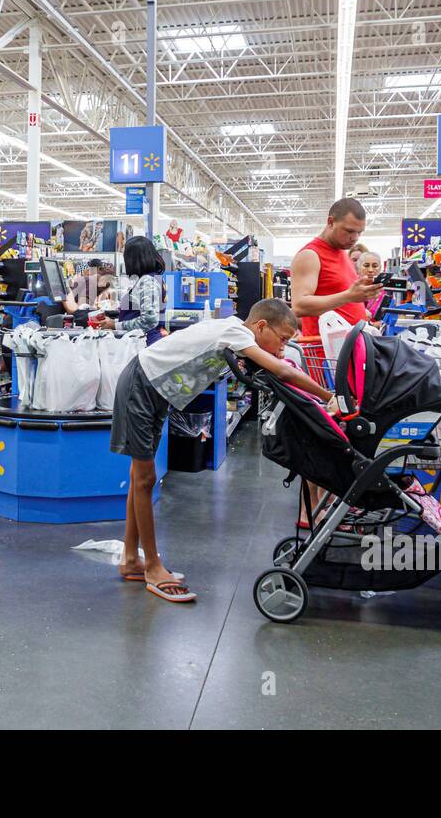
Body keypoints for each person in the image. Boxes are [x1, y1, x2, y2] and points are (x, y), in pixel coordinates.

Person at [110, 299, 340, 603]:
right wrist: (328, 395)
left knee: (141, 478)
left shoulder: (234, 331)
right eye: (282, 339)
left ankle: (130, 559)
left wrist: (275, 353)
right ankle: (152, 567)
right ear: (261, 326)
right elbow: (282, 372)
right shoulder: (237, 334)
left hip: (152, 388)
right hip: (141, 387)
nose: (283, 346)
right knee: (144, 479)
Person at [291, 199, 383, 337]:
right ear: (330, 222)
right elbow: (299, 305)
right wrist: (349, 296)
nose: (355, 238)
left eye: (360, 232)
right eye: (349, 231)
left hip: (352, 348)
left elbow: (340, 296)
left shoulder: (343, 253)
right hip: (327, 353)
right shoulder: (310, 255)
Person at [102, 236, 166, 344]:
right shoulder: (154, 278)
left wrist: (114, 325)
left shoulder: (147, 281)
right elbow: (138, 315)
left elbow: (149, 320)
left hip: (144, 343)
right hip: (145, 341)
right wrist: (113, 322)